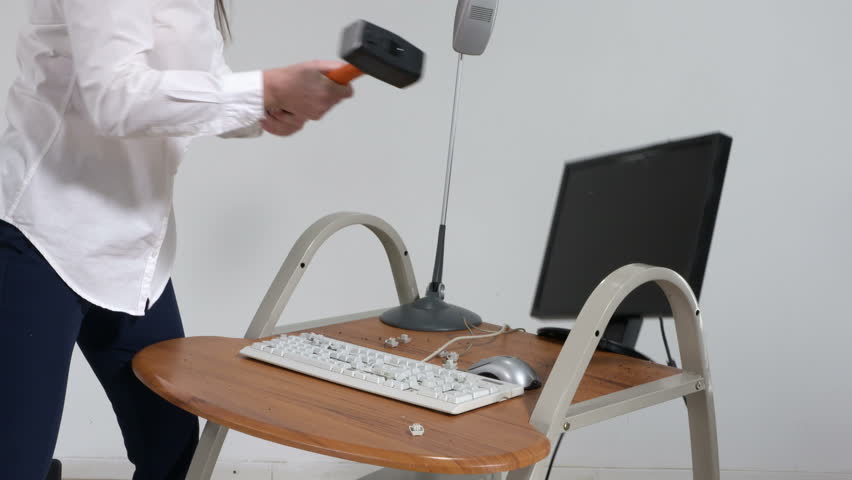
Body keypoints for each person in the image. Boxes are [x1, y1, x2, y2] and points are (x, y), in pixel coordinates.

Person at [0, 0, 353, 478]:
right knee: (16, 463)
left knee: (172, 452)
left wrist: (268, 107)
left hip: (136, 254)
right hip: (41, 238)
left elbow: (196, 81)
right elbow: (116, 97)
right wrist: (263, 88)